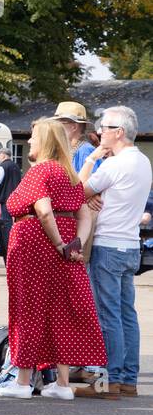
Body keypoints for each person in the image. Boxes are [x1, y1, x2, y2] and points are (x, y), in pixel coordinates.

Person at [0, 119, 105, 400]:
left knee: (28, 308)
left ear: (44, 141)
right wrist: (73, 245)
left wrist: (58, 243)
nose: (29, 141)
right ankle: (62, 383)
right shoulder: (69, 175)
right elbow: (83, 215)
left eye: (33, 137)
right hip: (64, 247)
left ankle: (22, 380)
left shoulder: (40, 171)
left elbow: (43, 211)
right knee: (61, 311)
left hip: (36, 245)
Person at [77, 106, 150, 397]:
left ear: (118, 132)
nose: (99, 132)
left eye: (104, 127)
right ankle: (128, 379)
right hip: (130, 243)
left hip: (108, 244)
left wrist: (93, 158)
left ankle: (109, 381)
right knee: (126, 314)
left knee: (108, 315)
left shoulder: (113, 164)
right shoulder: (142, 161)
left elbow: (78, 191)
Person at [0, 145, 22, 260]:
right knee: (14, 228)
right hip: (16, 202)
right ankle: (15, 252)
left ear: (3, 155)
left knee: (5, 229)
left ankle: (8, 255)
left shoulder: (2, 167)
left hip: (5, 204)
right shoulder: (16, 167)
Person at [52, 101, 98, 173]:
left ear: (74, 127)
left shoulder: (85, 150)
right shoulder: (69, 149)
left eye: (59, 124)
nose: (55, 128)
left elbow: (89, 182)